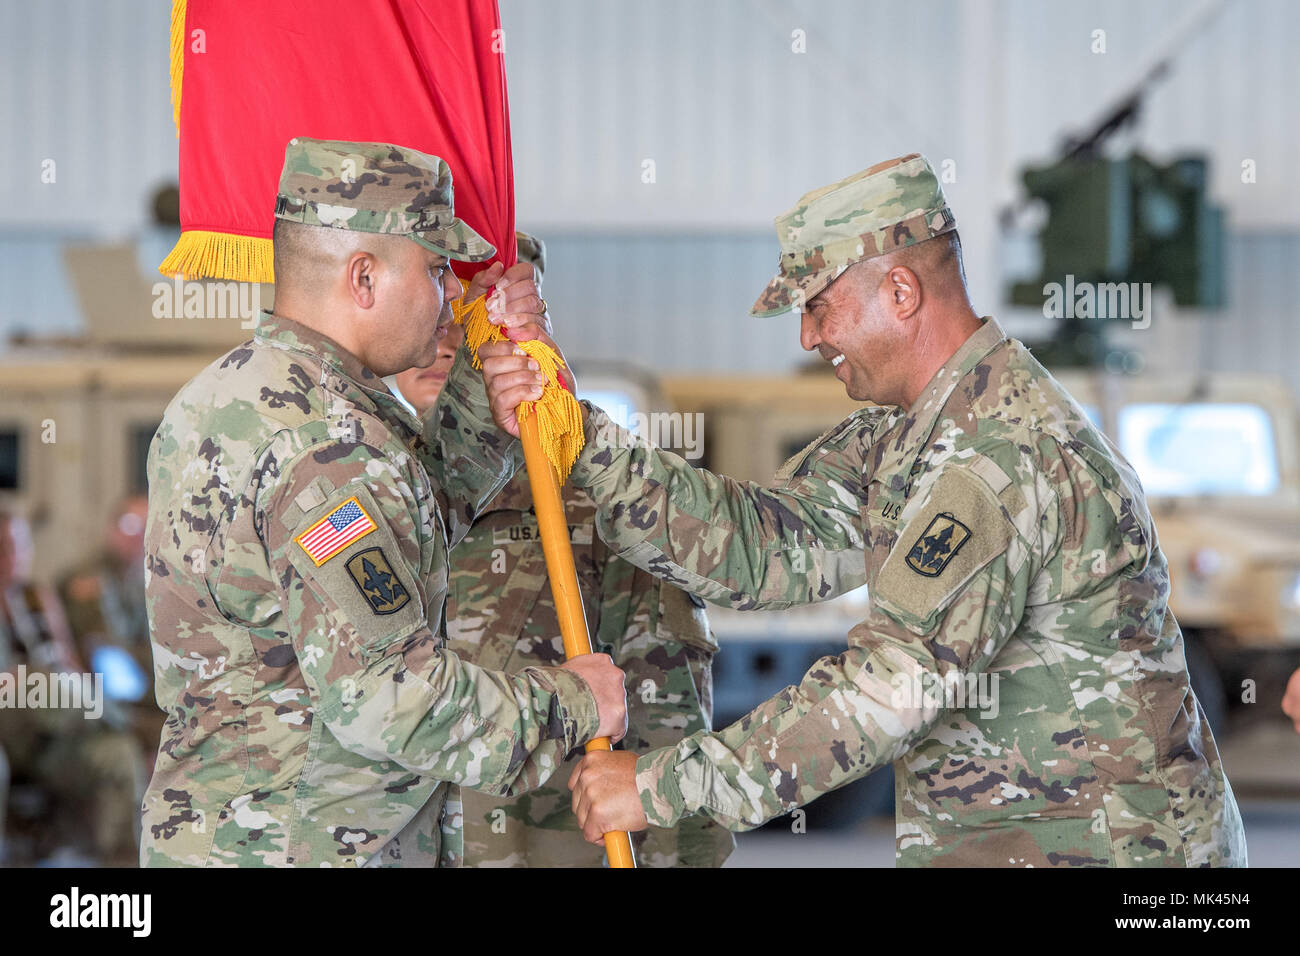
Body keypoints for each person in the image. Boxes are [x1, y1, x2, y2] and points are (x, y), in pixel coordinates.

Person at [478, 154, 1247, 867]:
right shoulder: (904, 435)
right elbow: (759, 548)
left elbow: (884, 691)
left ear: (902, 292)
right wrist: (574, 430)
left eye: (819, 307)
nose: (810, 336)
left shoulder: (1001, 454)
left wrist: (660, 785)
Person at [140, 137, 627, 868]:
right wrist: (573, 701)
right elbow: (392, 698)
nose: (452, 296)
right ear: (362, 277)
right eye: (435, 270)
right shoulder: (326, 447)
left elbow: (406, 532)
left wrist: (477, 402)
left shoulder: (230, 394)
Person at [393, 232, 733, 867]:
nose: (446, 339)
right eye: (435, 303)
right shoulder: (347, 499)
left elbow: (668, 734)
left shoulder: (604, 511)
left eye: (477, 316)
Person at [0, 505, 145, 865]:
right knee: (38, 681)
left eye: (20, 546)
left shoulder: (35, 598)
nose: (13, 557)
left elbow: (71, 664)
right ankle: (130, 721)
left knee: (118, 754)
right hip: (11, 725)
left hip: (56, 733)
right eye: (4, 547)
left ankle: (124, 869)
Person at [59, 494, 165, 765]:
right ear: (111, 529)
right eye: (130, 525)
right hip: (102, 702)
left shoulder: (147, 581)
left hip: (141, 694)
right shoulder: (87, 581)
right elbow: (111, 665)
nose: (137, 535)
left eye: (146, 526)